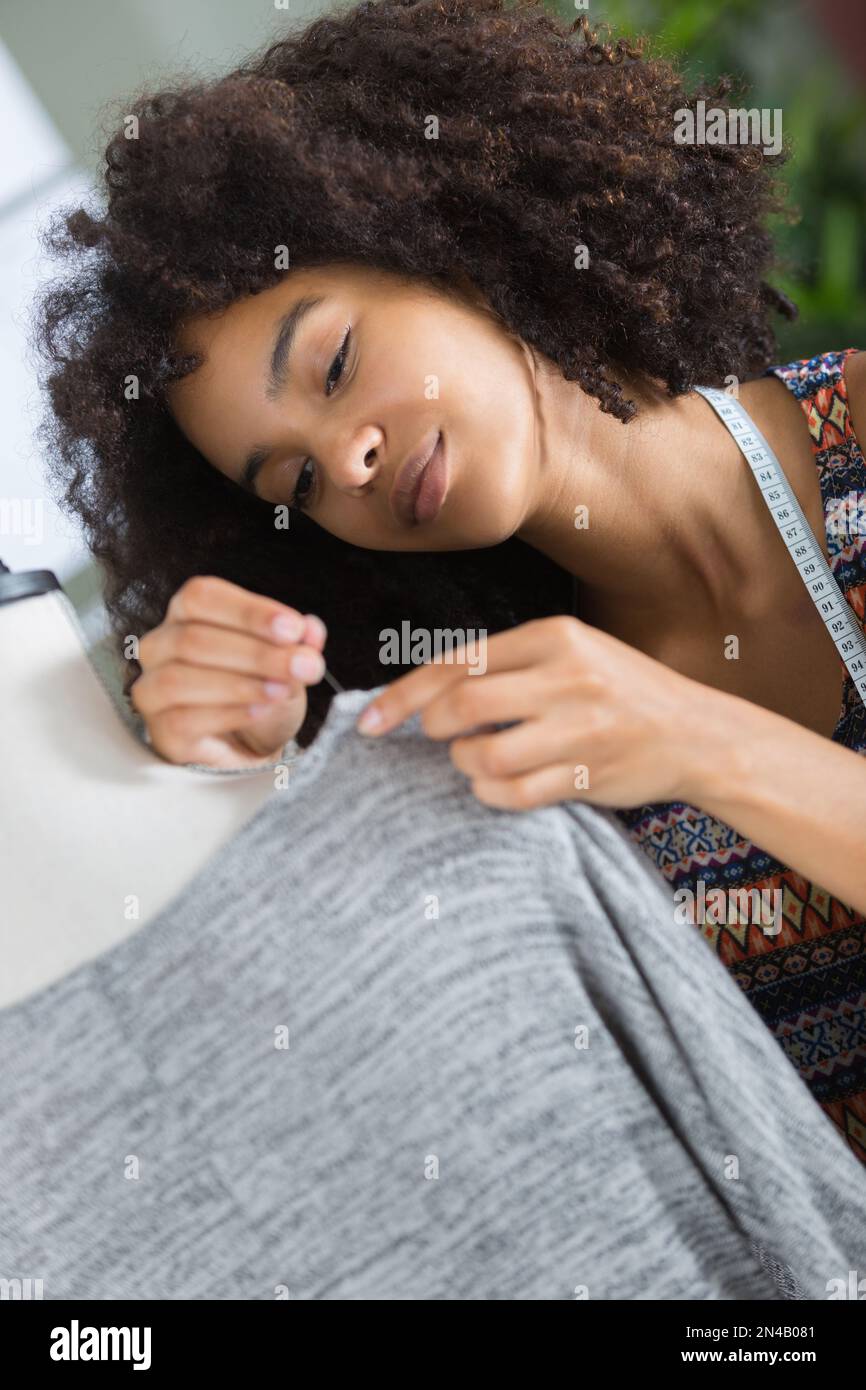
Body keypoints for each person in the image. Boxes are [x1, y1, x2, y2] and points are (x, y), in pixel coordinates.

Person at [34, 0, 866, 1161]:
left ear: (446, 238)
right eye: (299, 483)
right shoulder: (528, 755)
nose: (346, 459)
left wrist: (698, 742)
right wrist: (236, 789)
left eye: (332, 363)